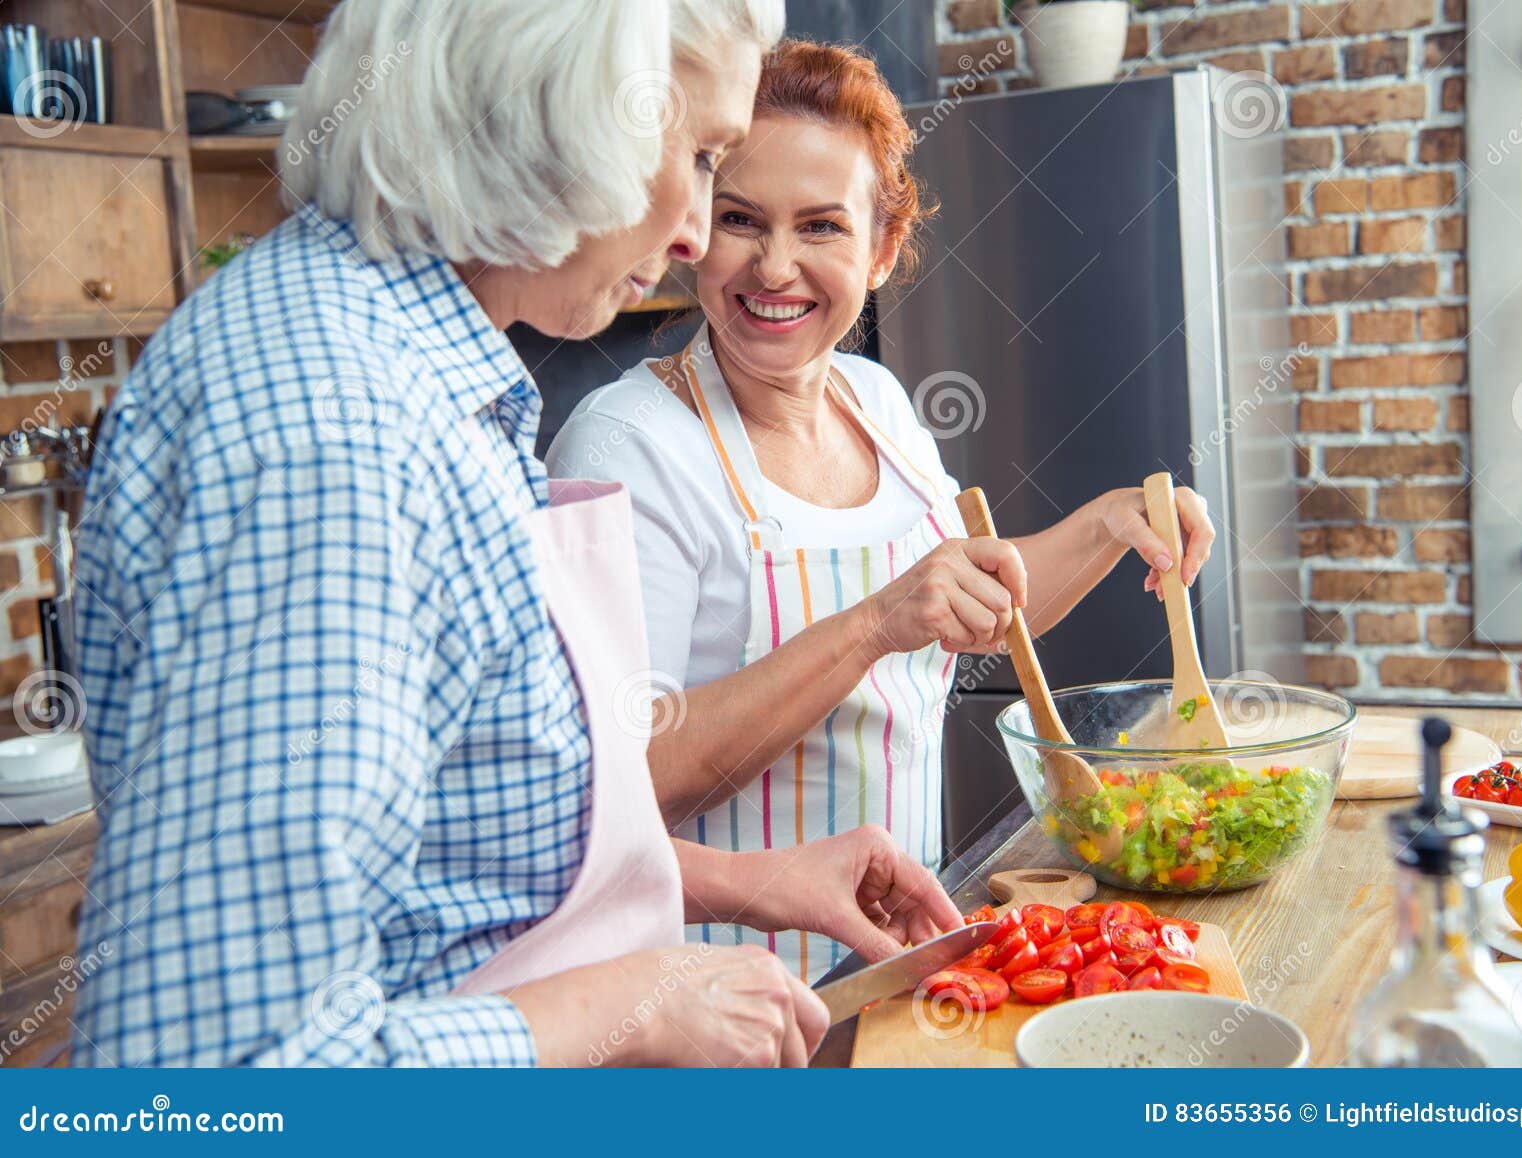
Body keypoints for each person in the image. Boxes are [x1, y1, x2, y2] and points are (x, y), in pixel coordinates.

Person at [70, 1, 958, 1069]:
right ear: (549, 116)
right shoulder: (340, 439)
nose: (692, 234)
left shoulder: (415, 363)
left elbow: (449, 855)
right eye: (696, 156)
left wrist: (744, 881)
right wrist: (636, 1001)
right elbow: (225, 1080)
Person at [547, 40, 1215, 982]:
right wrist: (872, 626)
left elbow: (981, 607)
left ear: (883, 251)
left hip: (899, 962)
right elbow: (622, 778)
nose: (774, 267)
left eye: (821, 226)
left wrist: (1109, 523)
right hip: (722, 997)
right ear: (694, 229)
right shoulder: (626, 446)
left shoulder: (876, 401)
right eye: (741, 219)